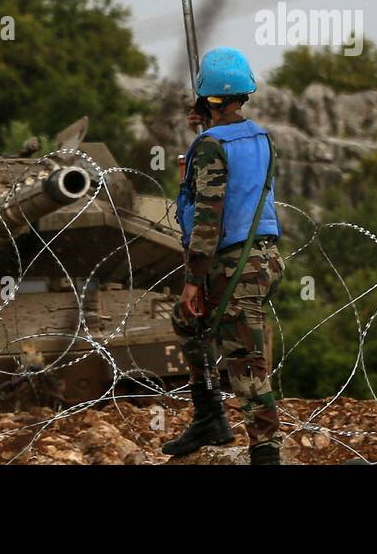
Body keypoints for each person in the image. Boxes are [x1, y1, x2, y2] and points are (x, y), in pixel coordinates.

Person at [164, 47, 284, 464]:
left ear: (204, 97)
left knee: (246, 360)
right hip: (262, 257)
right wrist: (202, 133)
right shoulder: (260, 138)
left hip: (232, 262)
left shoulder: (212, 146)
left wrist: (193, 280)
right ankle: (210, 415)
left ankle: (266, 453)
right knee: (187, 323)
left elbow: (208, 218)